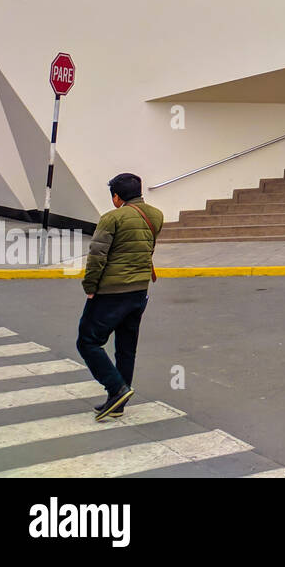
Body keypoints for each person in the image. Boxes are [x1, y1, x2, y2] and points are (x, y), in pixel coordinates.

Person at [78, 173, 164, 420]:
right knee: (126, 348)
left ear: (117, 197)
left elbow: (97, 255)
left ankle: (116, 389)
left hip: (112, 291)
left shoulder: (111, 218)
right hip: (139, 290)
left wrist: (90, 286)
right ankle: (118, 403)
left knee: (87, 341)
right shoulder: (155, 215)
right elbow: (148, 247)